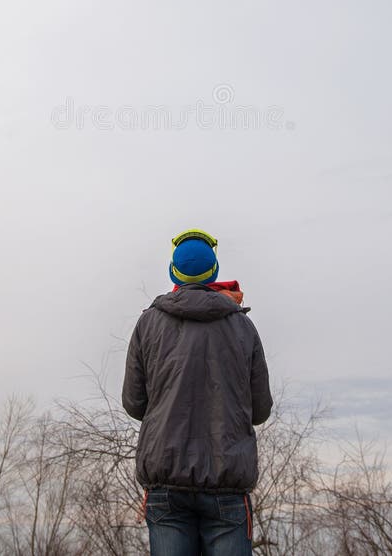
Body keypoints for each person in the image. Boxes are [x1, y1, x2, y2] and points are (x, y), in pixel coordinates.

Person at [122, 229, 273, 556]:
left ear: (173, 272)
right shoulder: (243, 327)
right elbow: (261, 410)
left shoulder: (147, 325)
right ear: (214, 271)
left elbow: (133, 404)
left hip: (165, 483)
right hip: (227, 482)